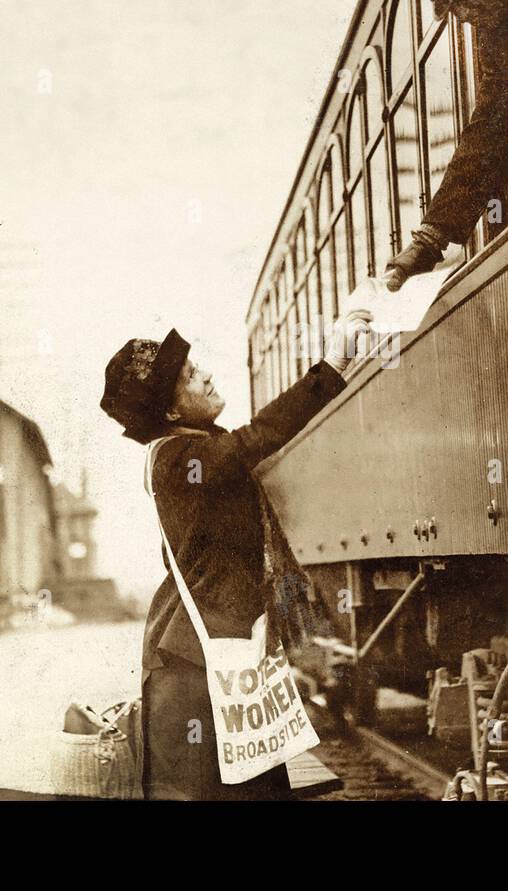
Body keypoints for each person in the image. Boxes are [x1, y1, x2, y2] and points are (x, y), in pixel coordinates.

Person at [100, 309, 372, 800]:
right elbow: (257, 439)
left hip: (218, 651)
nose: (205, 374)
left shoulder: (193, 450)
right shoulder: (178, 461)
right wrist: (331, 366)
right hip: (199, 668)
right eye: (188, 376)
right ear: (171, 413)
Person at [383, 0, 508, 291]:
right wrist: (431, 239)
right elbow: (488, 131)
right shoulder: (494, 36)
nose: (463, 15)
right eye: (453, 9)